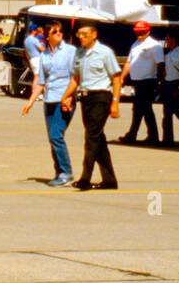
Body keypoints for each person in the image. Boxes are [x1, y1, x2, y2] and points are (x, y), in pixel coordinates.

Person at [60, 23, 122, 190]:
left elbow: (117, 78)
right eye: (79, 34)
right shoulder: (79, 53)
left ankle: (85, 179)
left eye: (85, 34)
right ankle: (110, 180)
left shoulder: (105, 52)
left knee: (91, 138)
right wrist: (65, 96)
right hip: (86, 98)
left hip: (102, 97)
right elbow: (76, 79)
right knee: (98, 139)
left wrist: (115, 102)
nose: (81, 37)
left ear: (94, 35)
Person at [21, 22, 76, 186]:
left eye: (60, 31)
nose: (59, 34)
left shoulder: (70, 51)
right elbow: (41, 81)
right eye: (55, 32)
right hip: (49, 99)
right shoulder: (44, 55)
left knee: (56, 136)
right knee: (53, 138)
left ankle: (66, 172)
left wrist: (70, 97)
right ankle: (59, 171)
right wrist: (30, 101)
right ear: (47, 36)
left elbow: (76, 77)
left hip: (64, 99)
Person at [117, 21, 163, 145]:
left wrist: (159, 82)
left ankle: (134, 135)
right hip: (137, 81)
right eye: (137, 32)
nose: (139, 34)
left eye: (141, 32)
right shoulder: (135, 44)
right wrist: (122, 77)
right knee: (143, 109)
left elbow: (160, 64)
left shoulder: (155, 45)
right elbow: (128, 62)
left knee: (141, 109)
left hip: (148, 81)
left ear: (148, 31)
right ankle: (151, 136)